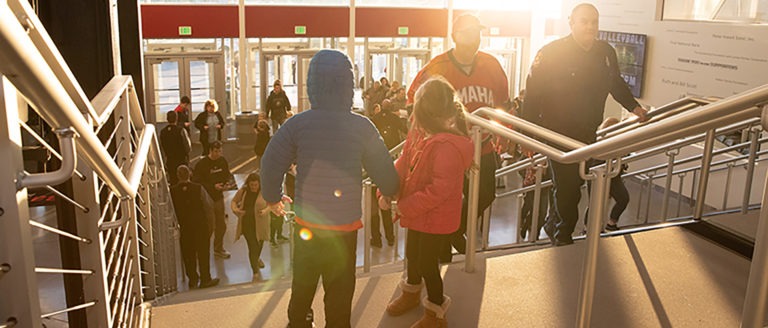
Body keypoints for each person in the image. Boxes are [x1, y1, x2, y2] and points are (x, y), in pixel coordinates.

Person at [260, 49, 399, 328]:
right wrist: (389, 192)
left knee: (303, 281)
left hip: (307, 224)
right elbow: (385, 172)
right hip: (343, 228)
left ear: (312, 85)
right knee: (340, 289)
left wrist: (274, 198)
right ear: (348, 85)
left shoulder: (296, 125)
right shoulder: (362, 126)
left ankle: (298, 322)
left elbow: (270, 164)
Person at [522, 3, 648, 246]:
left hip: (588, 133)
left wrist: (635, 107)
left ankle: (553, 223)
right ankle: (562, 235)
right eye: (584, 21)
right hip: (558, 134)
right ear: (571, 23)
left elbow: (616, 84)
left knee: (575, 184)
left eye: (594, 22)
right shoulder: (551, 53)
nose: (590, 26)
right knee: (568, 189)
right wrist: (529, 137)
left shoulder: (605, 52)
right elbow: (533, 95)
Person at [407, 13, 511, 259]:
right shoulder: (438, 66)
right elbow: (414, 99)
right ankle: (443, 254)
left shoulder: (491, 64)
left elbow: (503, 104)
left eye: (477, 31)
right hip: (449, 150)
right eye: (468, 31)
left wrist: (503, 134)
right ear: (455, 36)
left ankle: (457, 230)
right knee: (447, 199)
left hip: (482, 146)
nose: (474, 37)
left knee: (486, 193)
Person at [381, 77, 473, 327]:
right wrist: (389, 188)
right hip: (418, 212)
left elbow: (438, 192)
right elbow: (404, 160)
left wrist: (403, 206)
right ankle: (411, 293)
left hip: (436, 217)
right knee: (413, 254)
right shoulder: (420, 132)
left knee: (428, 264)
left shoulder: (447, 147)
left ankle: (436, 312)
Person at [170, 165, 220, 289]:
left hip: (185, 227)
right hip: (200, 225)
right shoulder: (199, 188)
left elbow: (171, 211)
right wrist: (211, 225)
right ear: (190, 174)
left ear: (177, 176)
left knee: (188, 254)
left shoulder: (172, 191)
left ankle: (192, 279)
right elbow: (208, 206)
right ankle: (205, 279)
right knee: (203, 253)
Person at [192, 141, 235, 258]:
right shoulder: (202, 164)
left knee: (221, 225)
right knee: (209, 226)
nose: (218, 154)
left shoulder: (222, 161)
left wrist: (226, 184)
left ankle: (218, 248)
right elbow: (197, 182)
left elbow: (227, 174)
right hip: (206, 199)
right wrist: (212, 187)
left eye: (220, 151)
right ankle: (200, 250)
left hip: (218, 197)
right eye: (216, 151)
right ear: (210, 151)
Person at [230, 172, 269, 281]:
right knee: (252, 246)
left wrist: (265, 211)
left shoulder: (264, 191)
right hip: (247, 223)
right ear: (248, 184)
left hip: (261, 223)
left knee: (259, 243)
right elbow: (234, 201)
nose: (254, 187)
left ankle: (256, 259)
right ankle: (255, 271)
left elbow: (271, 204)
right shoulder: (243, 191)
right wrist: (236, 209)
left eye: (256, 185)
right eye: (252, 185)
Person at [159, 111, 191, 185]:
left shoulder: (163, 132)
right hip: (181, 160)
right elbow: (188, 147)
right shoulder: (181, 130)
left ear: (167, 119)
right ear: (176, 118)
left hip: (170, 161)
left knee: (173, 181)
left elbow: (161, 148)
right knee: (184, 181)